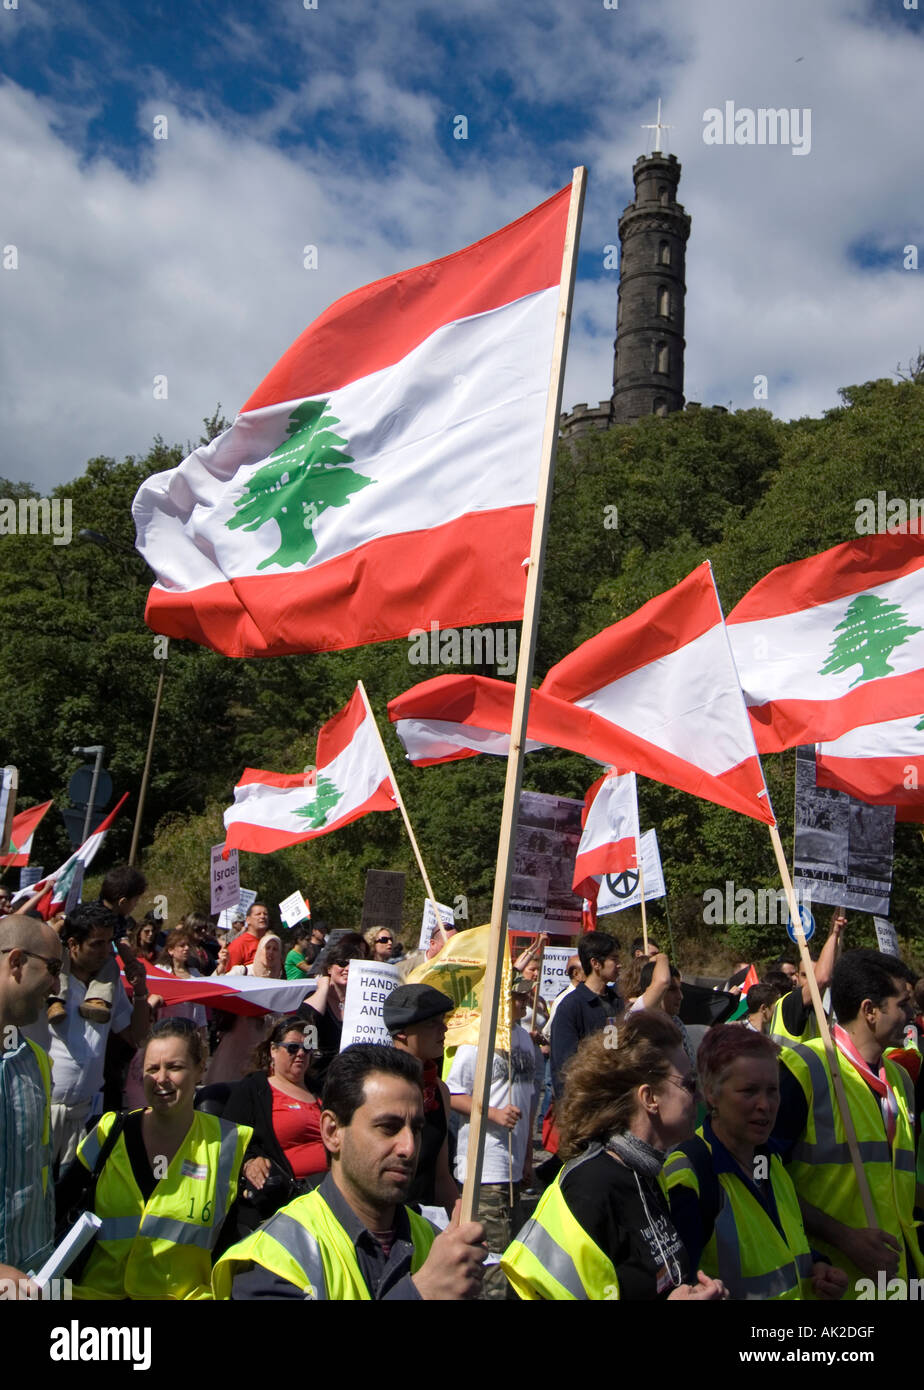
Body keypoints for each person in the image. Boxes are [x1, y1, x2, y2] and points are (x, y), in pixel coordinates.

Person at [212, 1044, 488, 1300]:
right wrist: (420, 1291)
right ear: (332, 1131)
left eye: (416, 1129)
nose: (409, 1147)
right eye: (388, 1127)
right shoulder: (276, 1256)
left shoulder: (433, 1240)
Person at [502, 1010, 726, 1301]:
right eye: (689, 1084)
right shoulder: (587, 1189)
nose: (698, 1097)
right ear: (649, 1098)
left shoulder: (649, 1172)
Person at [56, 1018, 252, 1299]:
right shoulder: (108, 1132)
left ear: (200, 1068)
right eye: (152, 1068)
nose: (161, 1078)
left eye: (174, 1067)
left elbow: (236, 1249)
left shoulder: (229, 1145)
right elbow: (56, 1207)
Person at [772, 948, 922, 1297]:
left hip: (896, 1280)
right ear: (870, 1010)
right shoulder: (803, 1068)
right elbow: (762, 1179)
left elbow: (897, 1180)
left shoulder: (901, 1080)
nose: (912, 1015)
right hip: (831, 1285)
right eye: (903, 1004)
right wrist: (843, 1238)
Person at [664, 1025, 848, 1301]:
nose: (765, 1104)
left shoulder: (770, 1159)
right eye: (749, 1091)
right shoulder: (691, 1175)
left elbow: (780, 1242)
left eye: (772, 1091)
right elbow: (675, 1288)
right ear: (711, 1093)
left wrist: (818, 1266)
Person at [23, 902, 150, 1171]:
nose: (105, 952)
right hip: (40, 1113)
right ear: (72, 944)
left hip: (87, 1113)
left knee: (76, 1196)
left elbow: (136, 1037)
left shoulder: (109, 986)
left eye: (108, 943)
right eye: (96, 944)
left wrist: (140, 994)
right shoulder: (44, 982)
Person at [447, 976, 536, 1299]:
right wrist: (494, 1114)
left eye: (525, 997)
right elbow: (453, 1094)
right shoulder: (477, 1039)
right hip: (485, 1168)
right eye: (516, 997)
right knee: (492, 1264)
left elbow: (531, 1099)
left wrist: (527, 1157)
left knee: (511, 1258)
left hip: (514, 1168)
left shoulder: (524, 1040)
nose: (523, 1002)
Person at [222, 1018, 327, 1241]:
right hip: (284, 1200)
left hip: (328, 1193)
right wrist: (249, 1161)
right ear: (273, 1050)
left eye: (307, 1048)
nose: (301, 1053)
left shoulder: (322, 1091)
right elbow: (228, 1137)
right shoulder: (254, 1088)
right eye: (292, 1047)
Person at [0, 914, 61, 1292]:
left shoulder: (36, 1060)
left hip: (35, 1277)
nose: (56, 986)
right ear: (16, 961)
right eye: (53, 968)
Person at [383, 983, 458, 1213]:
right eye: (431, 1023)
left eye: (443, 1021)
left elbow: (441, 1177)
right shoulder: (380, 1090)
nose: (443, 1029)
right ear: (402, 1032)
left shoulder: (439, 1091)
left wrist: (461, 1221)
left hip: (426, 1224)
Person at [550, 931, 621, 1097]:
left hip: (617, 1104)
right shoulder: (570, 1006)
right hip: (586, 1105)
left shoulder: (619, 1003)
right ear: (595, 963)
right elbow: (564, 1068)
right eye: (614, 959)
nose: (619, 964)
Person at [301, 932, 369, 1086]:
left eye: (354, 964)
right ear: (329, 968)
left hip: (351, 1081)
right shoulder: (315, 997)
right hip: (319, 1079)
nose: (347, 968)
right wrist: (323, 989)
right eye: (342, 963)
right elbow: (306, 1026)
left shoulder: (362, 1002)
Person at [769, 910, 845, 1046]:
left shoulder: (820, 1013)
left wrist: (835, 933)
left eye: (814, 975)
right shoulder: (790, 1003)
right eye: (805, 975)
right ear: (796, 977)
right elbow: (821, 980)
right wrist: (833, 935)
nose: (810, 981)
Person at [629, 954, 696, 1076]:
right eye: (671, 990)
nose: (680, 996)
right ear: (652, 990)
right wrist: (662, 957)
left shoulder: (675, 1022)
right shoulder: (639, 1014)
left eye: (680, 989)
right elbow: (662, 981)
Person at [222, 902, 271, 972]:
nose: (262, 916)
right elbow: (229, 976)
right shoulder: (238, 944)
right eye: (258, 914)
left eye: (265, 914)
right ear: (248, 920)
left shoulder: (271, 943)